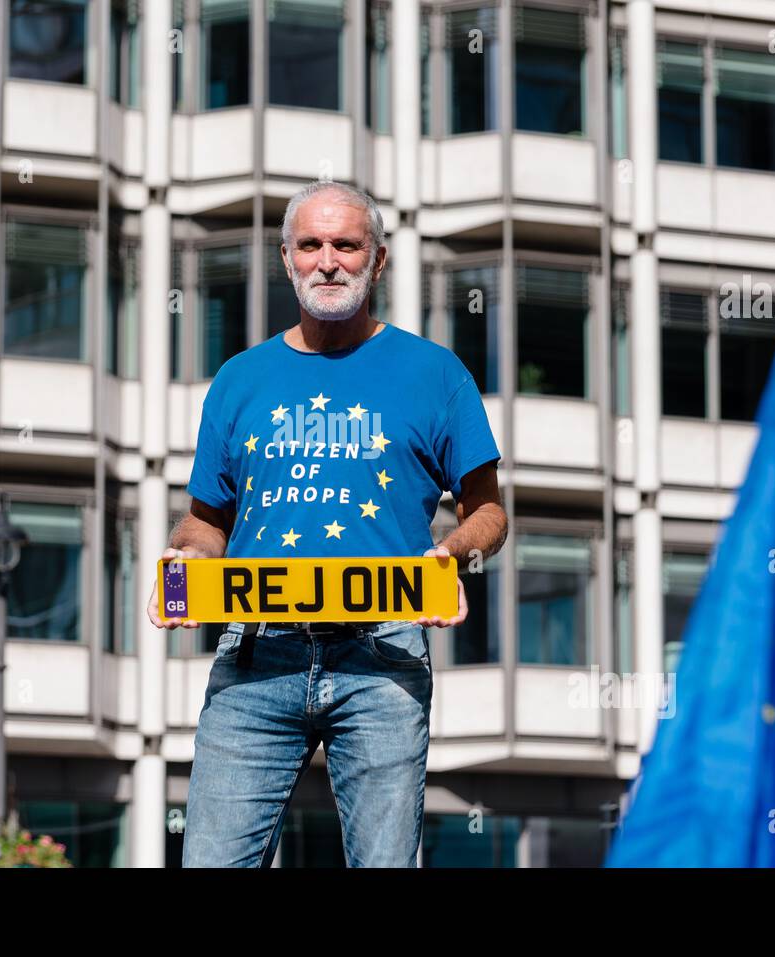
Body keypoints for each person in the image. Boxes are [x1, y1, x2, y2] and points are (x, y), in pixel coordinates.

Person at [147, 180, 508, 867]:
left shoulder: (436, 373)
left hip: (383, 658)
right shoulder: (237, 379)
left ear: (378, 260)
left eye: (346, 244)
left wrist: (453, 551)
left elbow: (488, 509)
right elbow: (203, 524)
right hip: (255, 654)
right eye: (310, 245)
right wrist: (184, 560)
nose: (328, 261)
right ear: (286, 258)